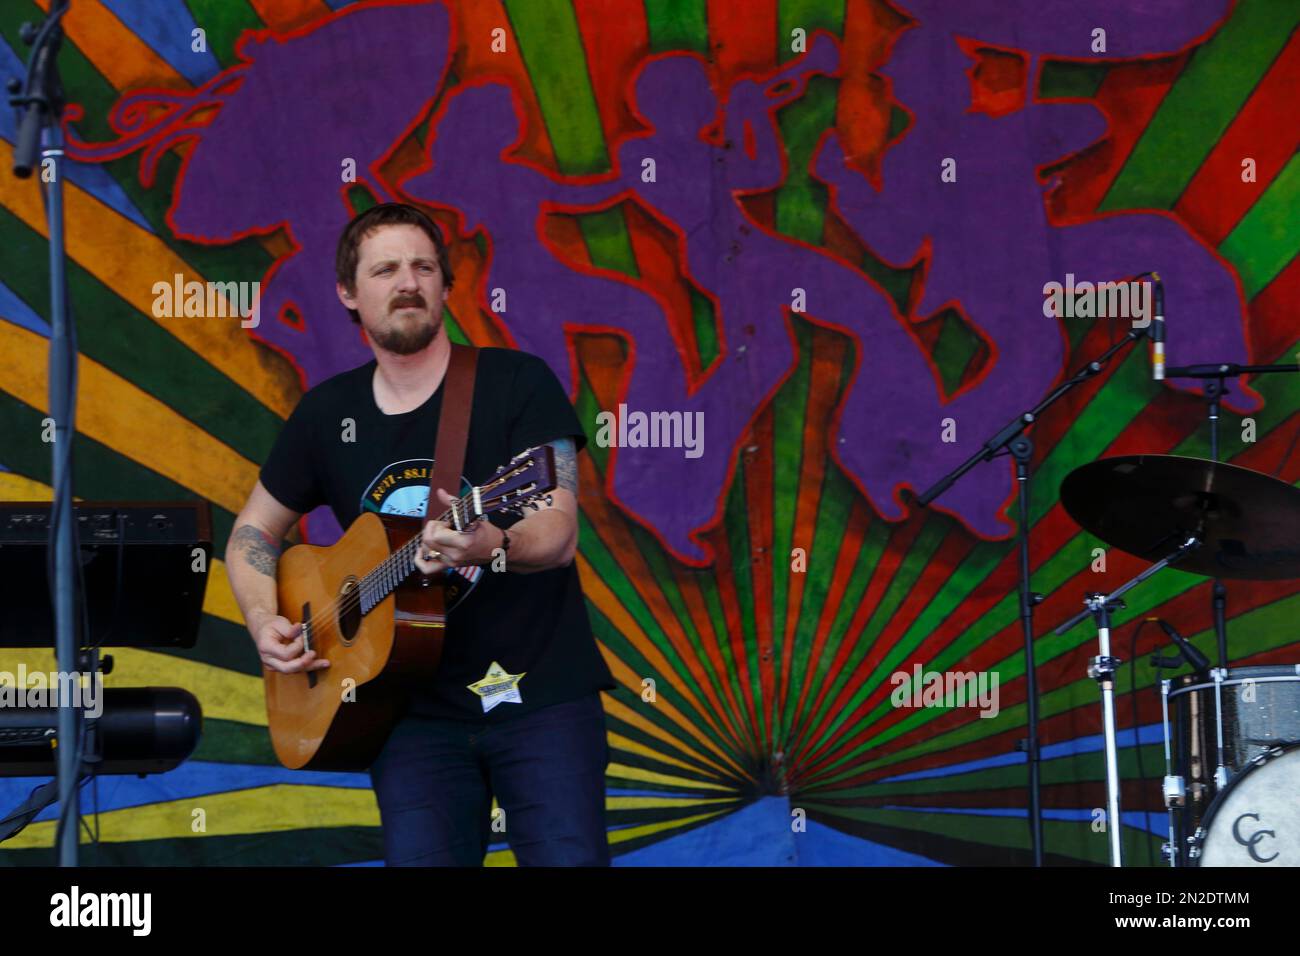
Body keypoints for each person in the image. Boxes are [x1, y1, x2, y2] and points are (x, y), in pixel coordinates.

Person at [224, 202, 616, 866]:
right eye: (385, 269)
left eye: (422, 266)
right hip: (408, 712)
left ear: (443, 284)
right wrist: (265, 619)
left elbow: (557, 529)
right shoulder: (328, 414)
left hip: (539, 698)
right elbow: (251, 534)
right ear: (349, 292)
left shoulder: (516, 383)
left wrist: (496, 544)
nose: (407, 281)